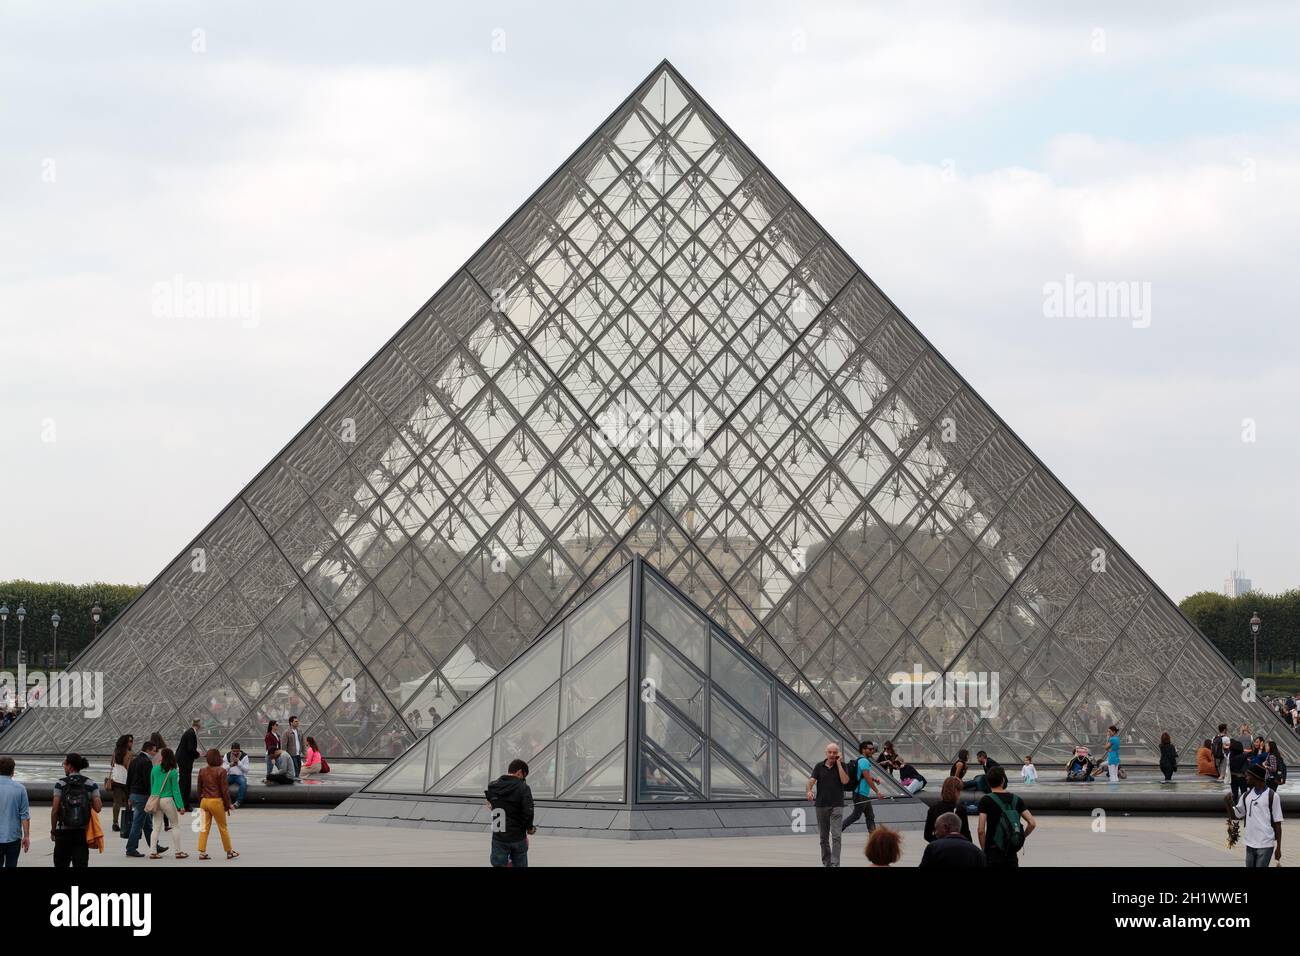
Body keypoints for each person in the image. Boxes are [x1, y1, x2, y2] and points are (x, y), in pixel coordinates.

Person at [977, 766, 1035, 868]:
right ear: (1003, 780)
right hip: (1011, 851)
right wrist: (1021, 837)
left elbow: (981, 830)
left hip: (993, 851)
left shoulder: (986, 800)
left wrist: (984, 850)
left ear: (988, 781)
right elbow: (1032, 823)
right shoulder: (1017, 800)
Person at [51, 753, 102, 868]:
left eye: (65, 764)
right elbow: (98, 808)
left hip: (63, 832)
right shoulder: (91, 783)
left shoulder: (60, 784)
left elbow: (55, 810)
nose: (64, 766)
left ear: (70, 766)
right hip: (82, 832)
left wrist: (53, 830)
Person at [1225, 764, 1282, 867]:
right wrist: (1229, 803)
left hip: (1265, 843)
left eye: (1248, 776)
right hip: (1250, 843)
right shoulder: (1246, 795)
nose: (1246, 778)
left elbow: (1278, 824)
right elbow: (1236, 816)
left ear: (1256, 777)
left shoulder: (1273, 796)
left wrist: (1278, 848)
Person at [484, 758, 535, 868]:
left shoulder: (492, 786)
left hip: (499, 836)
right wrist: (530, 828)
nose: (523, 780)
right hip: (518, 836)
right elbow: (528, 811)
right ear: (519, 772)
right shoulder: (523, 788)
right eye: (524, 776)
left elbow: (491, 804)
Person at [807, 742, 850, 867]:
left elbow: (845, 781)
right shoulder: (819, 766)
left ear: (838, 754)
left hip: (837, 805)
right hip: (821, 805)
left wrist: (839, 764)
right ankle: (827, 862)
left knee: (836, 836)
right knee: (823, 838)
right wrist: (809, 790)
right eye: (830, 752)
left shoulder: (842, 765)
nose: (832, 755)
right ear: (826, 753)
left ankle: (835, 863)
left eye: (835, 753)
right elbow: (811, 781)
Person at [196, 749, 238, 860]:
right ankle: (229, 851)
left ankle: (202, 852)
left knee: (204, 828)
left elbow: (199, 788)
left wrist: (200, 800)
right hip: (216, 801)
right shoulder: (221, 771)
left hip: (204, 801)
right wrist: (229, 804)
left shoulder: (202, 771)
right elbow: (224, 790)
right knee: (223, 827)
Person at [147, 748, 188, 860]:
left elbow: (152, 785)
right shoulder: (173, 771)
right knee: (175, 825)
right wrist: (180, 805)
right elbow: (176, 790)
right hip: (167, 800)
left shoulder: (154, 769)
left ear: (162, 757)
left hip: (156, 799)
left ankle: (153, 851)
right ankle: (178, 852)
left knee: (156, 827)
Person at [126, 741, 163, 858]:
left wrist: (129, 795)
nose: (155, 753)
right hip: (142, 796)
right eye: (154, 750)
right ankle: (131, 848)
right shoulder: (147, 762)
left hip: (134, 794)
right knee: (137, 823)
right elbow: (148, 782)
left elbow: (129, 779)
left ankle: (155, 846)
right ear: (147, 750)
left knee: (147, 823)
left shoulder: (134, 761)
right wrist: (153, 794)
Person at [840, 741, 884, 834]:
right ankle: (837, 829)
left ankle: (873, 836)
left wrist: (874, 780)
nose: (872, 751)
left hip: (863, 793)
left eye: (873, 749)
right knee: (856, 815)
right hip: (860, 793)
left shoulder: (861, 760)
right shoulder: (864, 761)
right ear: (863, 750)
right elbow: (866, 777)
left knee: (870, 815)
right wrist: (877, 792)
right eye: (870, 749)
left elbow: (863, 776)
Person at [919, 812, 986, 868]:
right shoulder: (977, 852)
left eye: (936, 829)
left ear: (945, 827)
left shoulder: (933, 847)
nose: (935, 833)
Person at [0, 756, 31, 866]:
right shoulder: (20, 789)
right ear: (13, 771)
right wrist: (26, 836)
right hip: (13, 837)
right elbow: (25, 815)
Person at [923, 776, 972, 842]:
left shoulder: (933, 809)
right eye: (959, 791)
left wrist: (937, 841)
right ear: (956, 792)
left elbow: (927, 835)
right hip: (956, 845)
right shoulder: (960, 809)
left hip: (939, 845)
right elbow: (966, 833)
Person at [108, 734, 133, 832]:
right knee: (128, 801)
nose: (132, 743)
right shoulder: (129, 753)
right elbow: (128, 767)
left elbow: (112, 764)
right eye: (130, 741)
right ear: (126, 742)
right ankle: (127, 821)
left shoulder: (115, 751)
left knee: (116, 802)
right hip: (126, 780)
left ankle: (115, 822)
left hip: (116, 780)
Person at [176, 719, 201, 812]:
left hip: (183, 760)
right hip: (185, 761)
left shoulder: (189, 732)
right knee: (185, 782)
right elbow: (190, 749)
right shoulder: (191, 733)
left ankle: (182, 804)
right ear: (198, 726)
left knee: (184, 782)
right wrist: (198, 754)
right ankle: (183, 804)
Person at [1228, 739, 1248, 803]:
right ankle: (1244, 808)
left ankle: (1234, 808)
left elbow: (1229, 766)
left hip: (1233, 776)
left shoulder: (1231, 755)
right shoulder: (1244, 756)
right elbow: (1245, 767)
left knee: (1235, 794)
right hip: (1241, 777)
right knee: (1244, 794)